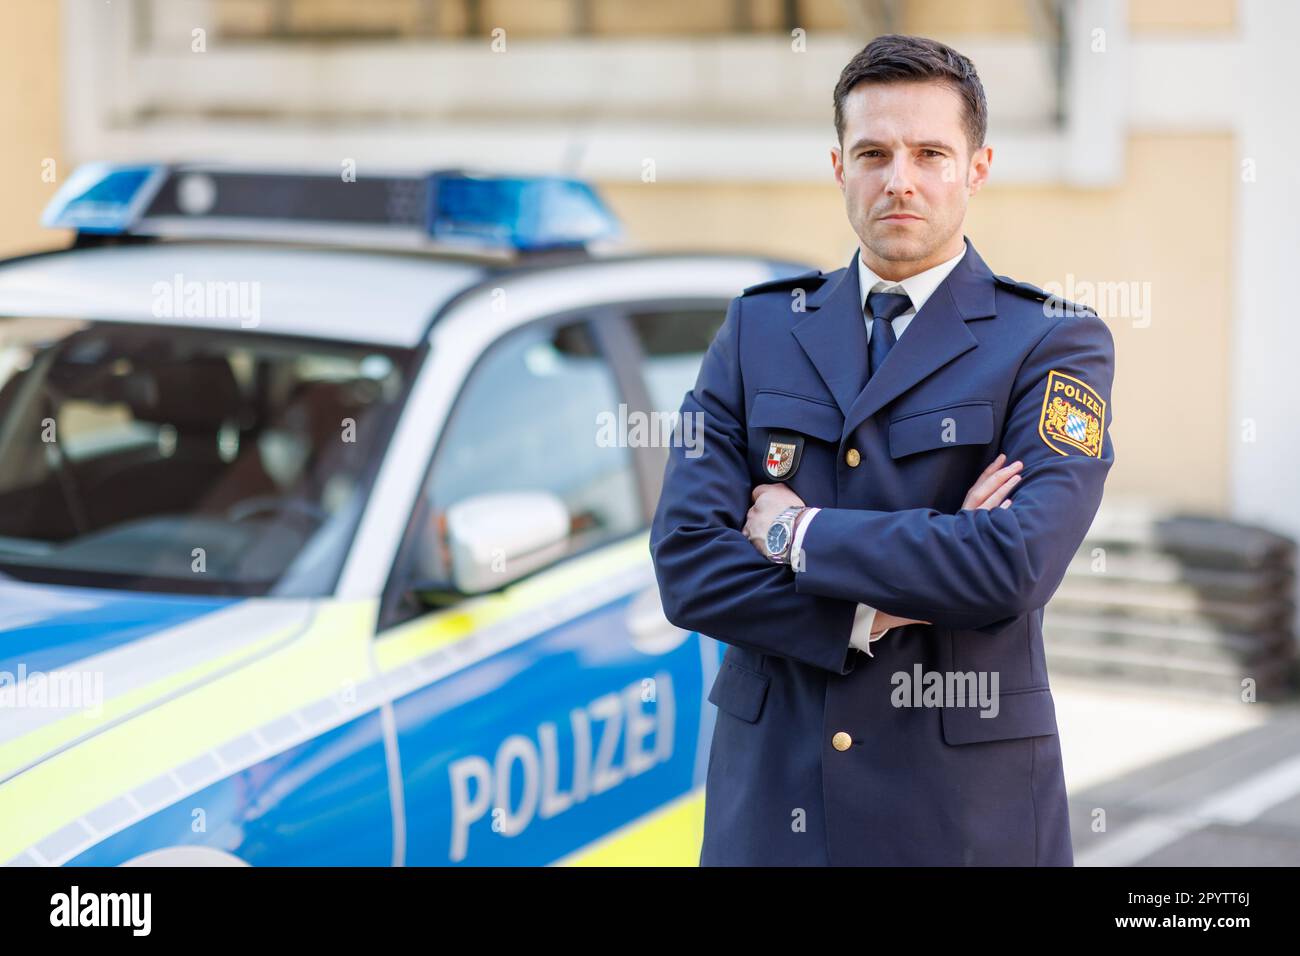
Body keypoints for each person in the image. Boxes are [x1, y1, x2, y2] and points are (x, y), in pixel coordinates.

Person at [649, 33, 1115, 866]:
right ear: (839, 166)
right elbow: (687, 564)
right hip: (775, 805)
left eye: (931, 152)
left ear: (977, 167)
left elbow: (1012, 564)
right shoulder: (758, 329)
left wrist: (798, 536)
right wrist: (878, 608)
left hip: (963, 813)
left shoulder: (1051, 342)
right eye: (873, 152)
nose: (899, 178)